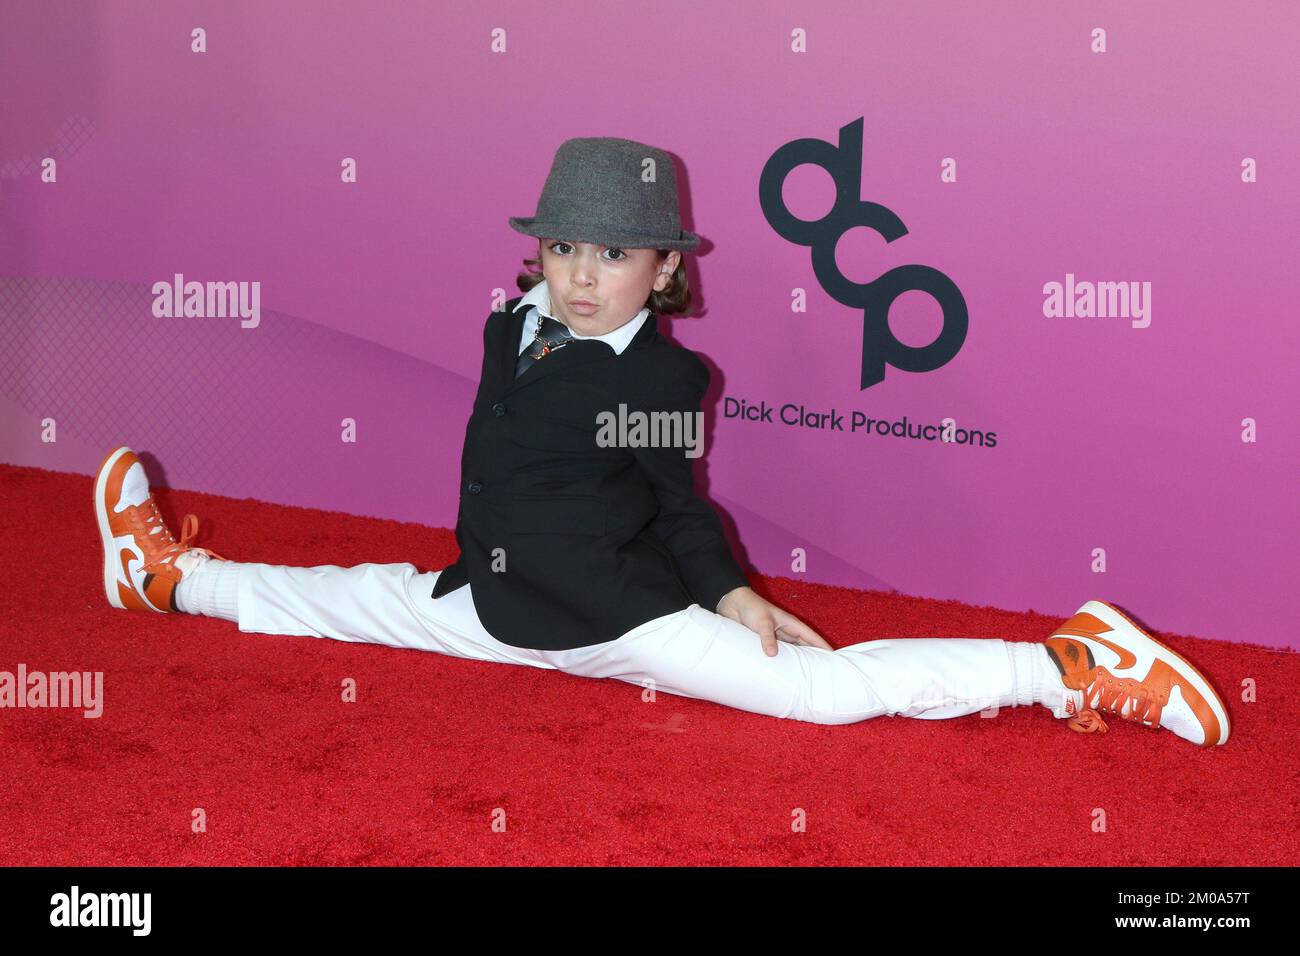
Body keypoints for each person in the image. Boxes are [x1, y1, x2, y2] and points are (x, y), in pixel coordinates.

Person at [93, 137, 1229, 746]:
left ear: (667, 268)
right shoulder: (512, 318)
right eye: (566, 248)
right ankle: (164, 573)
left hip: (612, 619)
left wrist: (726, 593)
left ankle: (1068, 661)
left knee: (824, 698)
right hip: (484, 600)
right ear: (538, 253)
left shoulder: (665, 373)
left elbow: (675, 499)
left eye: (615, 255)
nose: (584, 276)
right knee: (330, 595)